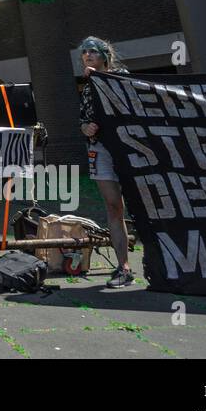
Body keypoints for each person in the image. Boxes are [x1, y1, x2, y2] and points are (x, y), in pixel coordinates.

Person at [78, 35, 134, 288]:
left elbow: (127, 96)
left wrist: (97, 77)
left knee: (143, 204)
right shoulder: (87, 84)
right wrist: (84, 127)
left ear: (104, 55)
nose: (87, 55)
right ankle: (123, 267)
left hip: (126, 146)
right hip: (99, 148)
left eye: (92, 51)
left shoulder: (117, 74)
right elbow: (83, 116)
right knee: (113, 206)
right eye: (83, 52)